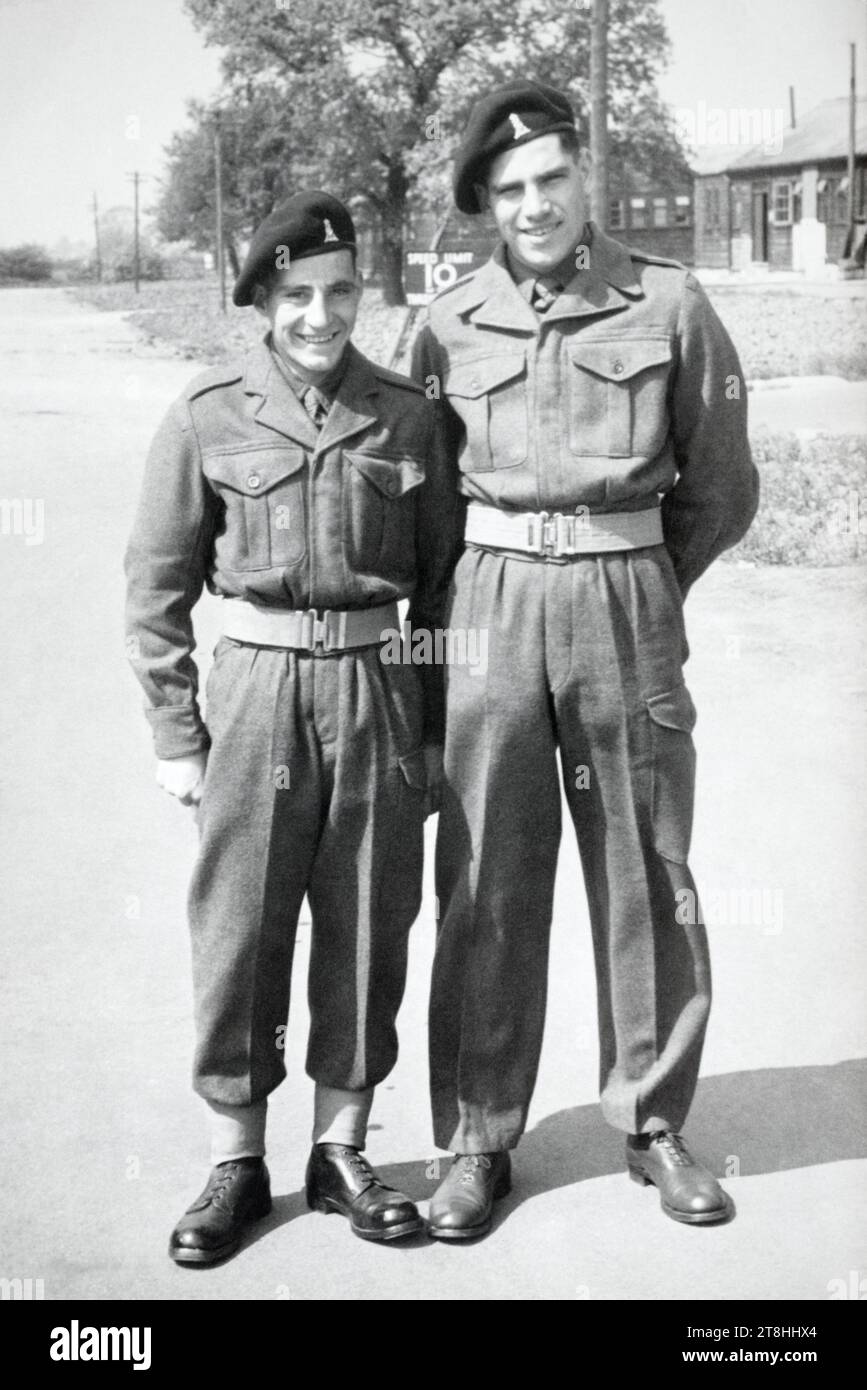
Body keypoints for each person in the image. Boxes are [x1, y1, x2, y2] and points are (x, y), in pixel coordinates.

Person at [411, 80, 760, 1239]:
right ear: (485, 205)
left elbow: (721, 486)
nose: (536, 202)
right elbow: (418, 502)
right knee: (483, 878)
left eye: (553, 177)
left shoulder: (668, 302)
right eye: (511, 189)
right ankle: (476, 1137)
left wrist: (644, 583)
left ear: (585, 175)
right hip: (491, 608)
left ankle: (655, 1121)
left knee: (647, 868)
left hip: (624, 606)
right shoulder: (449, 324)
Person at [125, 191, 457, 1264]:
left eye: (341, 292)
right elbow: (156, 584)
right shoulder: (209, 410)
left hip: (376, 683)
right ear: (264, 300)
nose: (321, 315)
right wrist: (177, 731)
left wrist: (436, 727)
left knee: (368, 916)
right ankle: (236, 1156)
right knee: (241, 928)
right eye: (298, 295)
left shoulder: (407, 414)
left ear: (362, 293)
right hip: (259, 683)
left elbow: (445, 587)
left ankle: (342, 1148)